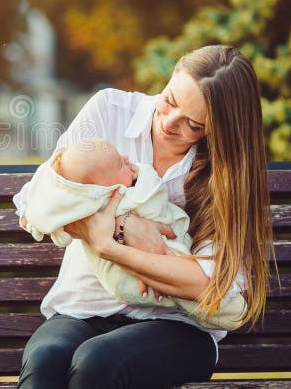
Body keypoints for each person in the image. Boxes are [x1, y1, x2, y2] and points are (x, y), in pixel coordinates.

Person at [14, 45, 272, 389]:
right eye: (169, 101)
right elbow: (38, 202)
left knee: (96, 363)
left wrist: (112, 249)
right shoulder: (110, 111)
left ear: (218, 130)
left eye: (193, 125)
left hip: (178, 326)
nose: (168, 123)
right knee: (46, 359)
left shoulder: (226, 171)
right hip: (84, 307)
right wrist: (124, 226)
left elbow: (216, 285)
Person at [23, 137, 246, 330]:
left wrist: (119, 226)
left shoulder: (82, 205)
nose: (128, 160)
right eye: (121, 164)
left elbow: (48, 214)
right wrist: (142, 177)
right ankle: (221, 312)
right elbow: (155, 201)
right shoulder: (125, 194)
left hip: (125, 286)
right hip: (123, 280)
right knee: (175, 289)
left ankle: (206, 307)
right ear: (103, 187)